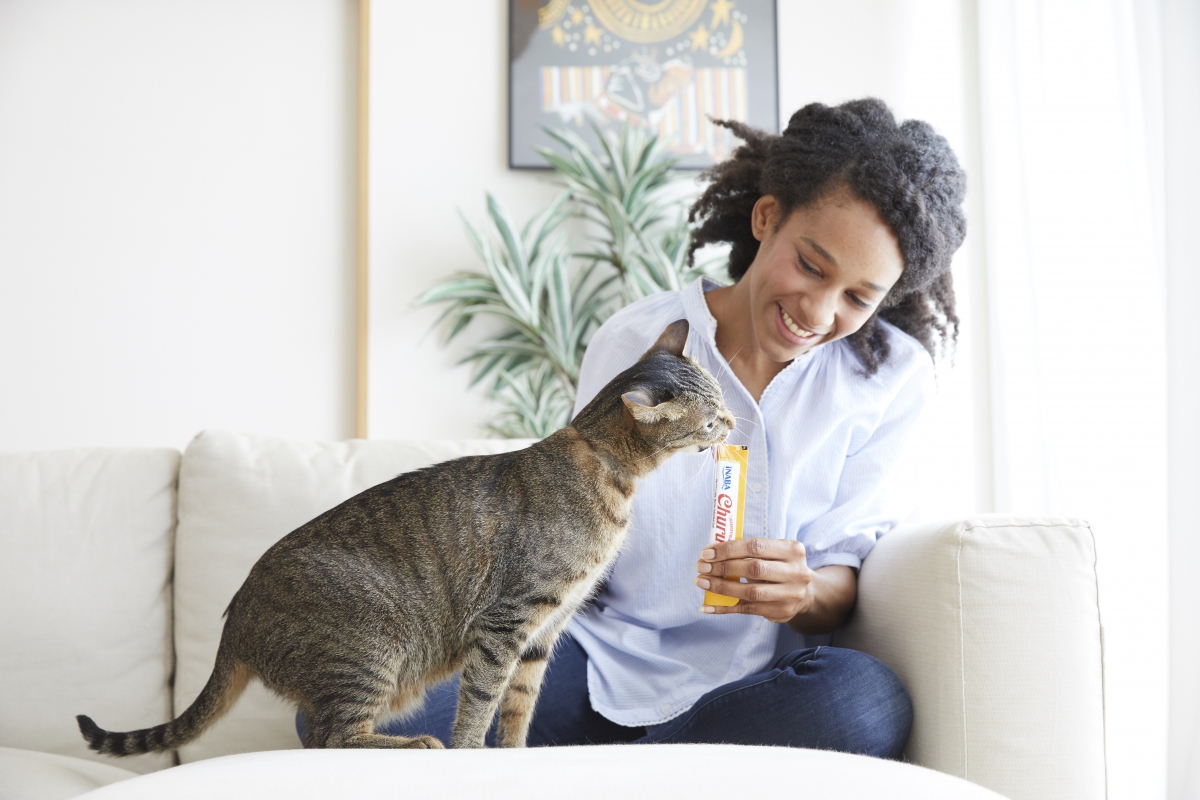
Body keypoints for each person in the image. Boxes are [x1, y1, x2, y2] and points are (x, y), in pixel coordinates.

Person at [299, 98, 967, 755]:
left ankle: (611, 770)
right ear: (767, 217)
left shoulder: (889, 378)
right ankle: (668, 769)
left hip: (755, 687)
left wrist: (803, 591)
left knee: (865, 703)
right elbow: (571, 522)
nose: (817, 312)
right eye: (811, 266)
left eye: (858, 297)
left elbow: (841, 575)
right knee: (338, 713)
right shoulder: (638, 342)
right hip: (602, 661)